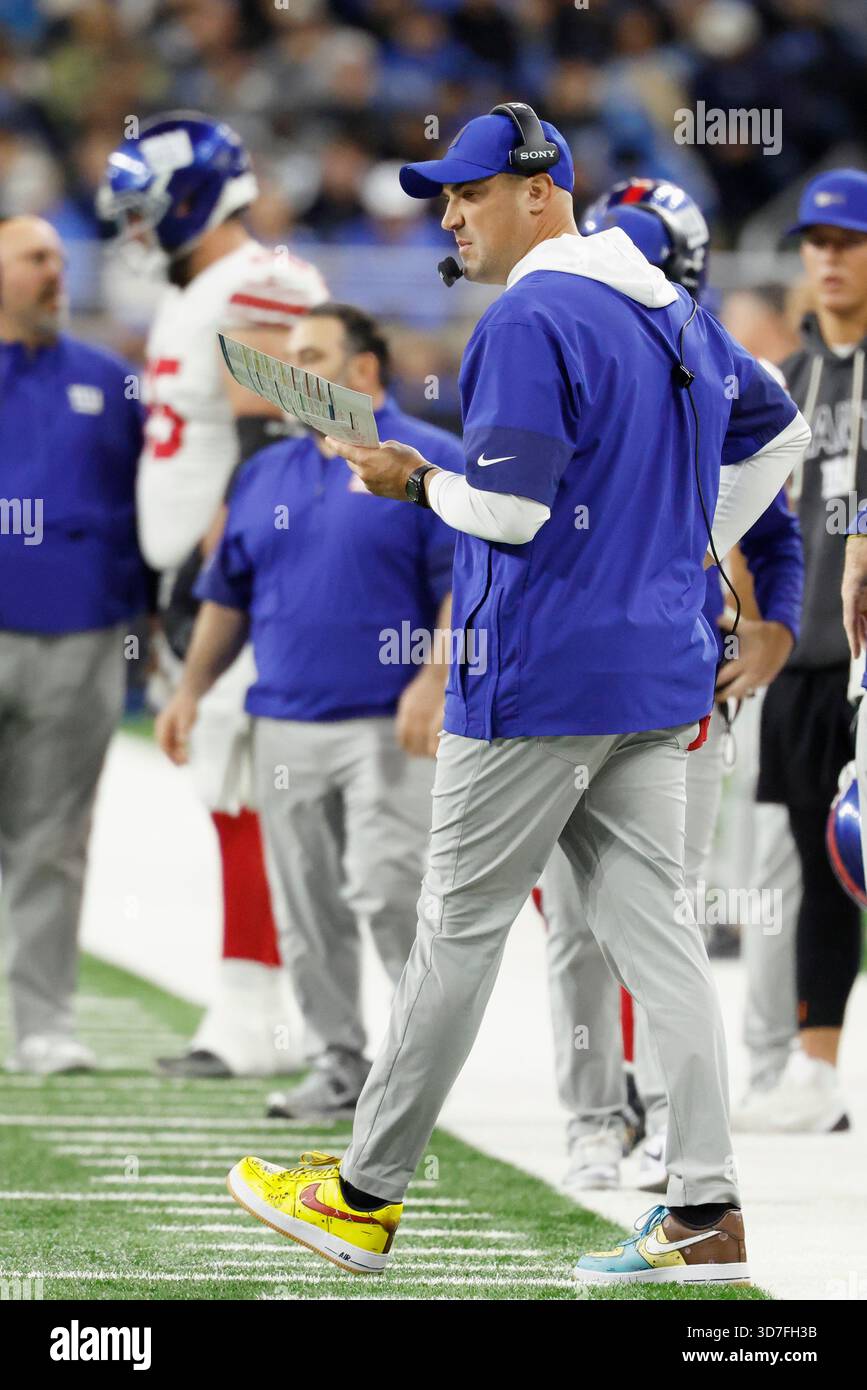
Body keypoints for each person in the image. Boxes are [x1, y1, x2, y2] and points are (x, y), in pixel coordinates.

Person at [226, 104, 809, 1282]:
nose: (448, 215)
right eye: (443, 196)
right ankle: (704, 1206)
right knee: (663, 943)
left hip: (539, 671)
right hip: (658, 675)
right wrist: (685, 549)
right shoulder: (675, 308)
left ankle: (362, 1191)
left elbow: (509, 511)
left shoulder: (532, 313)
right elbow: (782, 434)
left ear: (543, 192)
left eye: (467, 192)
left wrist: (409, 476)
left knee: (456, 930)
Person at [533, 179, 804, 1195]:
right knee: (576, 921)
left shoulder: (711, 376)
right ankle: (595, 1114)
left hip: (676, 682)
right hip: (570, 682)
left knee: (656, 913)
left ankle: (657, 1123)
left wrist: (772, 625)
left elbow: (773, 518)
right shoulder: (555, 352)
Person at [157, 302, 461, 1120]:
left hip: (383, 719)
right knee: (306, 906)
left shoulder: (425, 458)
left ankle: (415, 1067)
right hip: (284, 716)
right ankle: (339, 1062)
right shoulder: (267, 473)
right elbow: (228, 595)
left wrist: (432, 680)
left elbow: (461, 588)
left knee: (388, 887)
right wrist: (190, 687)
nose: (293, 371)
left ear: (364, 371)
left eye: (314, 354)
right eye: (290, 356)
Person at [98, 112, 328, 1078]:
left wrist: (217, 563)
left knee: (254, 788)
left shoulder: (257, 281)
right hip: (202, 577)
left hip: (245, 580)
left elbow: (273, 439)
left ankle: (264, 1014)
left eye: (149, 209)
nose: (139, 230)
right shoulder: (203, 288)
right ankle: (254, 1000)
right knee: (228, 783)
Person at [0, 214, 148, 1073]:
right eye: (34, 259)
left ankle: (44, 1024)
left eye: (59, 258)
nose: (55, 272)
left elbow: (153, 507)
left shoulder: (110, 381)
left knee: (52, 838)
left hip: (81, 635)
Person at [736, 169, 867, 1134]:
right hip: (806, 653)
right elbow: (752, 520)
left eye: (845, 242)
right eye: (814, 244)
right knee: (820, 863)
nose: (826, 259)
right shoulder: (787, 380)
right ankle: (812, 1073)